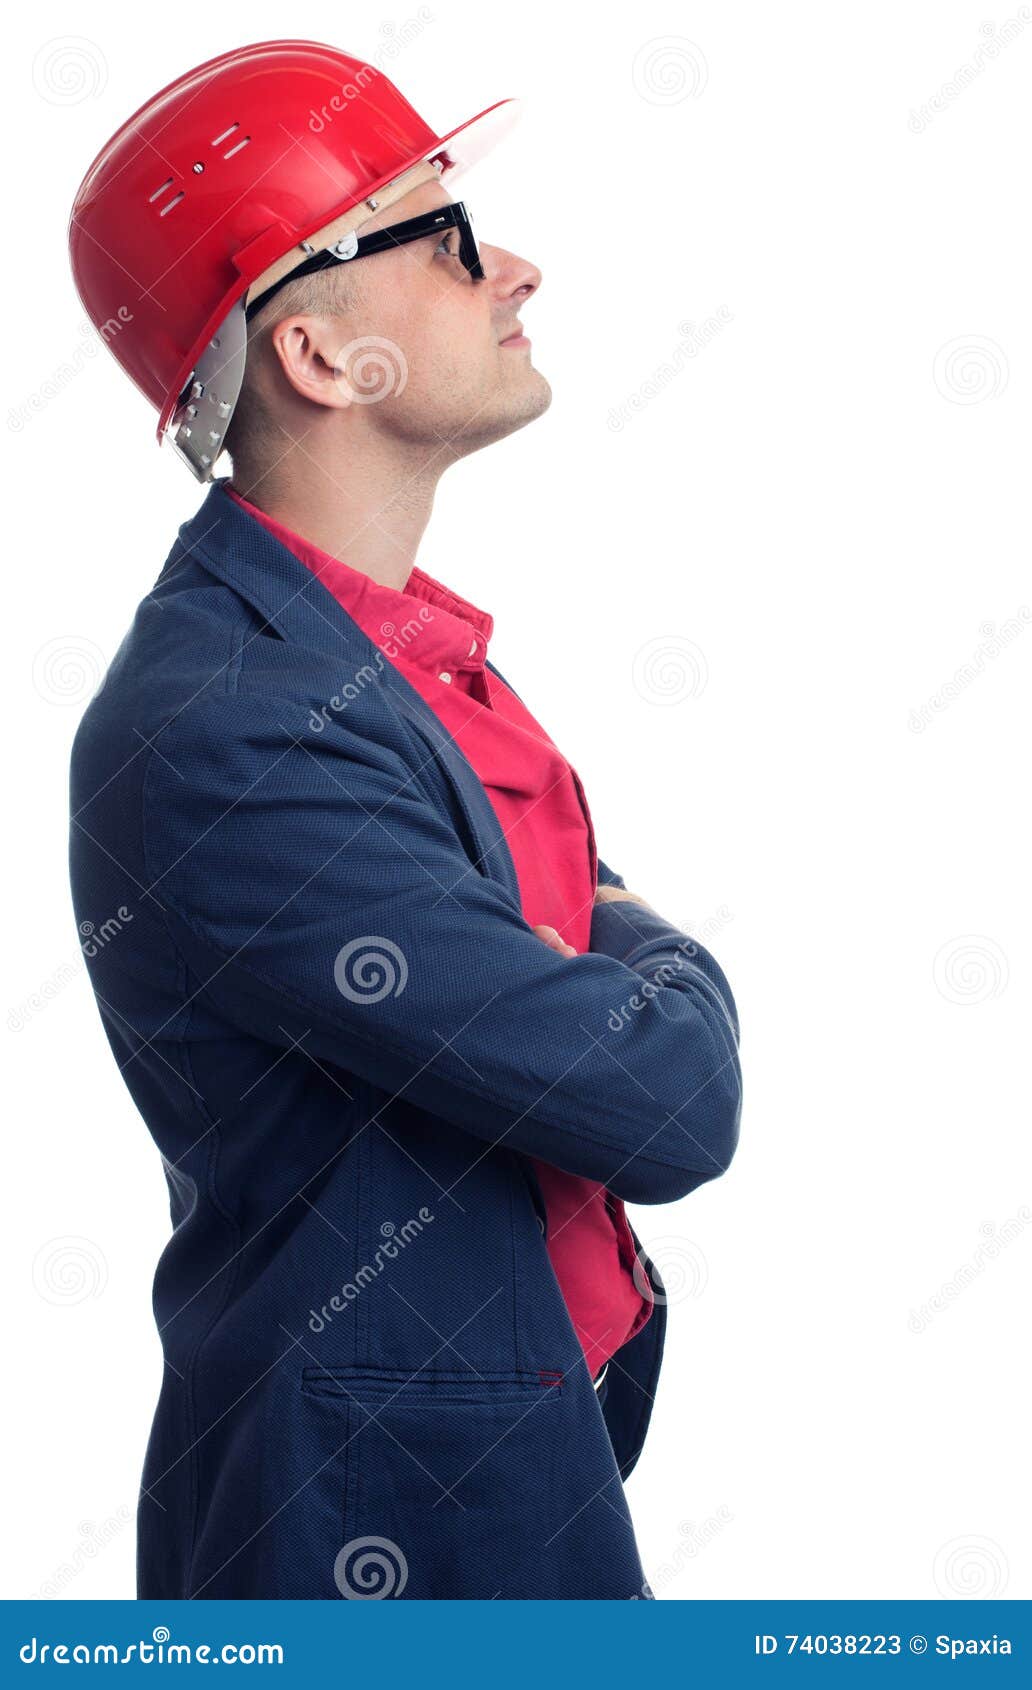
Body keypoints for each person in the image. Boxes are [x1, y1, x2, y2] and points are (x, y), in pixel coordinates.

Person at [67, 39, 742, 1600]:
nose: (513, 266)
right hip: (374, 1536)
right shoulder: (229, 725)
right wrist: (648, 943)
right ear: (315, 356)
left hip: (496, 1474)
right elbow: (660, 1099)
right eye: (441, 237)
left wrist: (595, 946)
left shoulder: (385, 658)